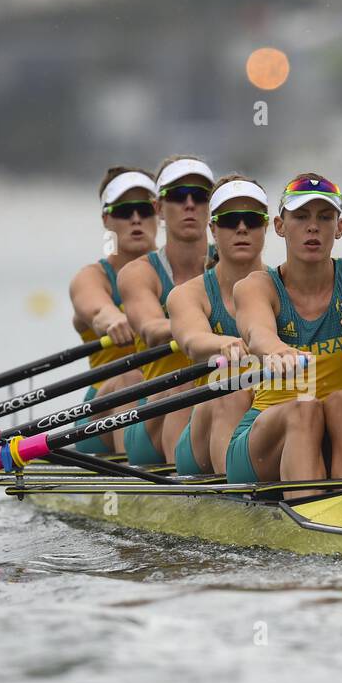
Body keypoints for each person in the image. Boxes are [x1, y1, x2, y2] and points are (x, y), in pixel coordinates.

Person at [227, 172, 342, 494]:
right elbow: (256, 331)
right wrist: (275, 349)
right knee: (305, 407)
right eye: (301, 217)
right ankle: (318, 512)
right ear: (279, 226)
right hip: (263, 446)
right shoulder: (256, 287)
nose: (312, 227)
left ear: (339, 227)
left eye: (325, 217)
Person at [167, 175, 271, 474]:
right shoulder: (189, 294)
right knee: (232, 389)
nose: (241, 228)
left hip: (269, 416)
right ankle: (235, 490)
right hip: (205, 431)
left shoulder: (286, 287)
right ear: (212, 228)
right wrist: (223, 343)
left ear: (266, 226)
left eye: (251, 219)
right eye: (229, 220)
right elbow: (192, 341)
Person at [116, 155, 216, 466]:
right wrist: (207, 331)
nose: (189, 204)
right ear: (158, 208)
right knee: (186, 384)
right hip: (154, 414)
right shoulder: (139, 273)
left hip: (221, 398)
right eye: (177, 195)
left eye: (199, 196)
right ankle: (186, 487)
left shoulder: (241, 268)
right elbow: (151, 329)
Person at [67, 166, 157, 454]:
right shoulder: (93, 277)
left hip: (166, 394)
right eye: (124, 211)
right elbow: (97, 310)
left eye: (144, 209)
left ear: (159, 212)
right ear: (107, 219)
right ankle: (132, 480)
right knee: (132, 379)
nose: (136, 219)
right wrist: (115, 320)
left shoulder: (179, 273)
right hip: (103, 410)